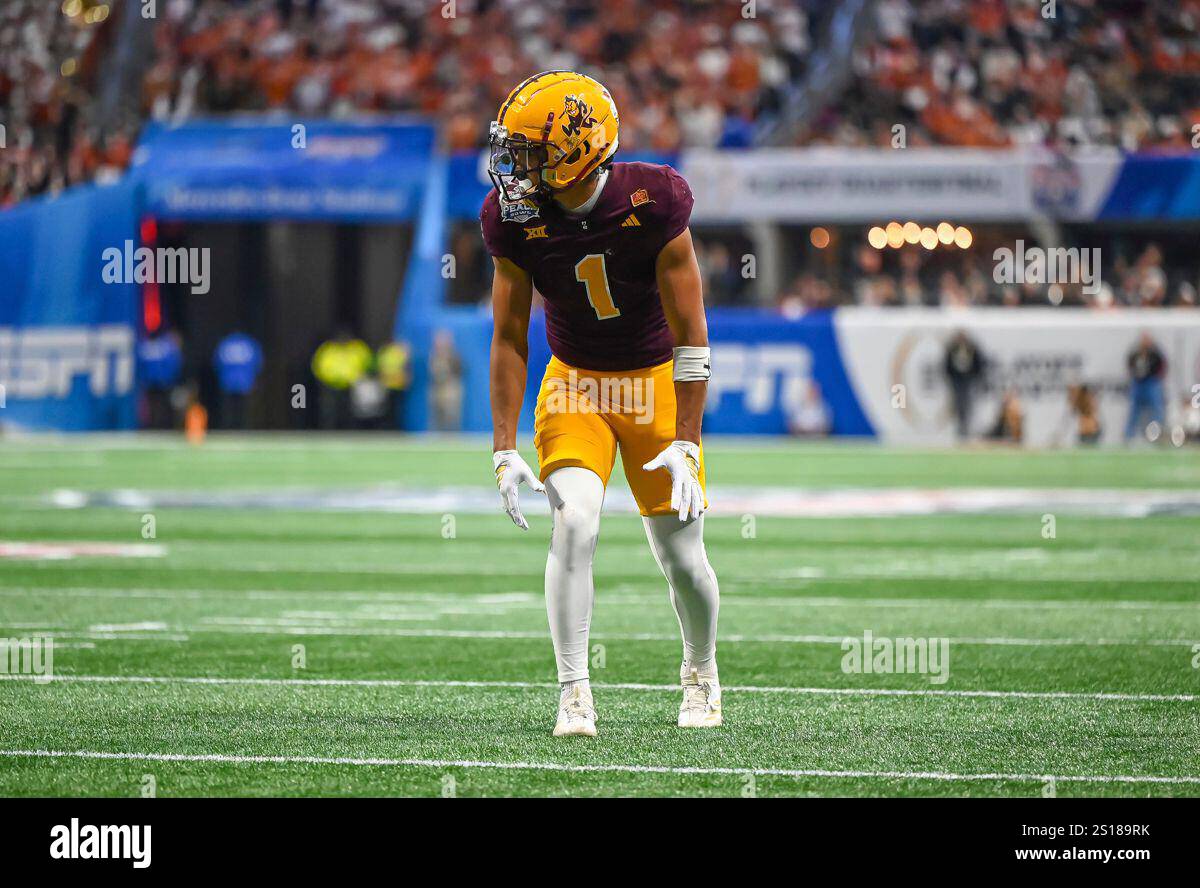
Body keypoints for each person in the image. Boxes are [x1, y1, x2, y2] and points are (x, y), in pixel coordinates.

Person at [482, 71, 721, 738]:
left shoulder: (655, 199)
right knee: (576, 523)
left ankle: (700, 672)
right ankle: (573, 692)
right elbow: (507, 335)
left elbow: (691, 334)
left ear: (577, 150)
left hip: (650, 387)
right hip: (575, 383)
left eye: (529, 153)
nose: (513, 168)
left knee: (683, 558)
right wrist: (504, 448)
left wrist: (688, 440)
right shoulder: (512, 218)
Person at [213, 330, 263, 429]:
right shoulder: (249, 344)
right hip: (243, 383)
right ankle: (242, 429)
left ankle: (230, 429)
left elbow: (217, 363)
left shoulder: (226, 343)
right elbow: (258, 363)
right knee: (241, 411)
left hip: (229, 382)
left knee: (231, 410)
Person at [1124, 332, 1166, 442]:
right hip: (1138, 383)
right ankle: (1129, 436)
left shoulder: (1155, 353)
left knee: (1157, 410)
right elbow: (1129, 365)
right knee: (1134, 411)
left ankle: (1157, 435)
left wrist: (1156, 377)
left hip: (1151, 383)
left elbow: (1162, 366)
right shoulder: (1135, 353)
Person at [944, 330, 984, 441]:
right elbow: (947, 365)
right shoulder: (953, 348)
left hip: (968, 379)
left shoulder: (971, 348)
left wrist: (975, 375)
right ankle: (960, 427)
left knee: (968, 403)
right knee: (958, 403)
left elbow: (978, 363)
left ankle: (967, 426)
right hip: (957, 380)